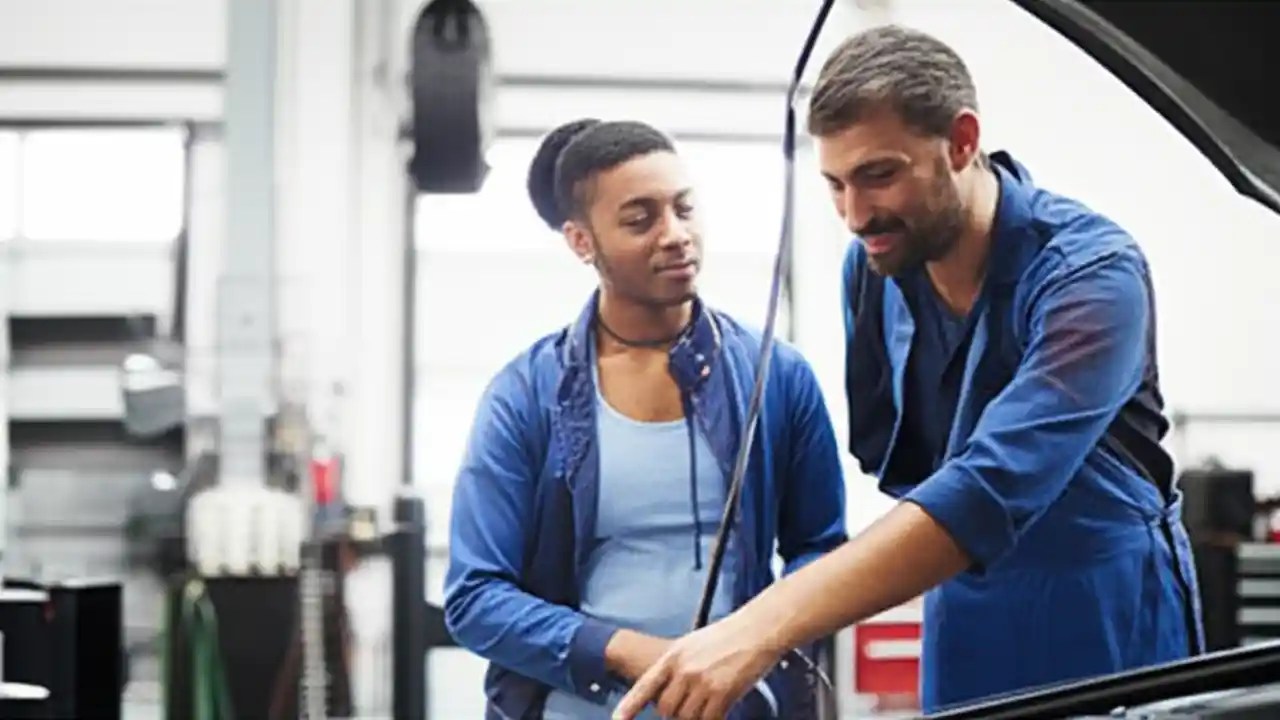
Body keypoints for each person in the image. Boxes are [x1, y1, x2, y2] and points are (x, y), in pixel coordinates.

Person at [614, 24, 1204, 720]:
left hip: (1106, 610)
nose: (856, 215)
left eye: (879, 175)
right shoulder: (872, 272)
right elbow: (897, 458)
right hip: (965, 605)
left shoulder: (1091, 275)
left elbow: (990, 486)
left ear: (961, 141)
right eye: (835, 184)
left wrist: (764, 625)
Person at [443, 117, 849, 720]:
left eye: (685, 209)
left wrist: (753, 648)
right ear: (582, 242)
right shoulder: (523, 396)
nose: (676, 235)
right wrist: (640, 656)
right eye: (641, 220)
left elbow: (821, 550)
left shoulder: (778, 376)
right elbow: (475, 598)